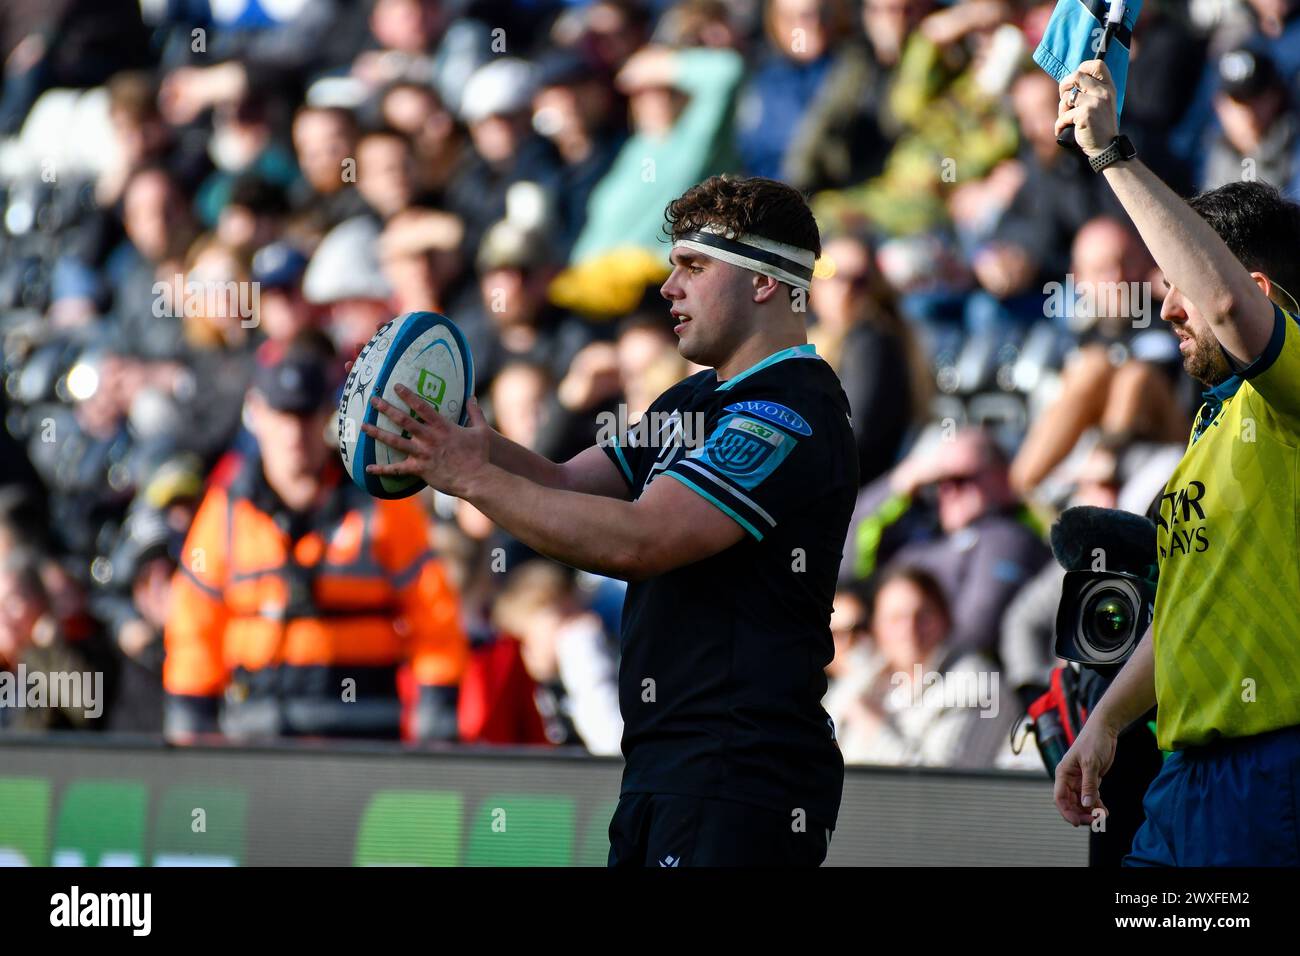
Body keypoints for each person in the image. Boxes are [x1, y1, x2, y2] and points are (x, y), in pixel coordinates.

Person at [362, 175, 858, 866]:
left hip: (738, 775)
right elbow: (565, 482)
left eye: (694, 267)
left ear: (764, 281)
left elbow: (643, 539)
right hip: (668, 767)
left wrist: (469, 477)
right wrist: (466, 443)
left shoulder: (785, 414)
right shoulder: (695, 398)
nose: (669, 288)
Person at [1051, 59, 1300, 865]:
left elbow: (1223, 302)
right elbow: (1183, 615)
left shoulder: (1290, 399)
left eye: (1175, 286)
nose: (1163, 309)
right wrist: (1106, 722)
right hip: (1183, 777)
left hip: (1271, 776)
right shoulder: (1212, 425)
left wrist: (1110, 153)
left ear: (1255, 289)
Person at [163, 338, 468, 742]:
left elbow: (434, 615)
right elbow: (194, 625)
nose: (294, 433)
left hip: (362, 734)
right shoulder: (226, 511)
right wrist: (191, 716)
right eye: (282, 414)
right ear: (256, 413)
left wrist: (437, 711)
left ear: (327, 415)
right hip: (257, 735)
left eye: (306, 415)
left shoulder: (380, 505)